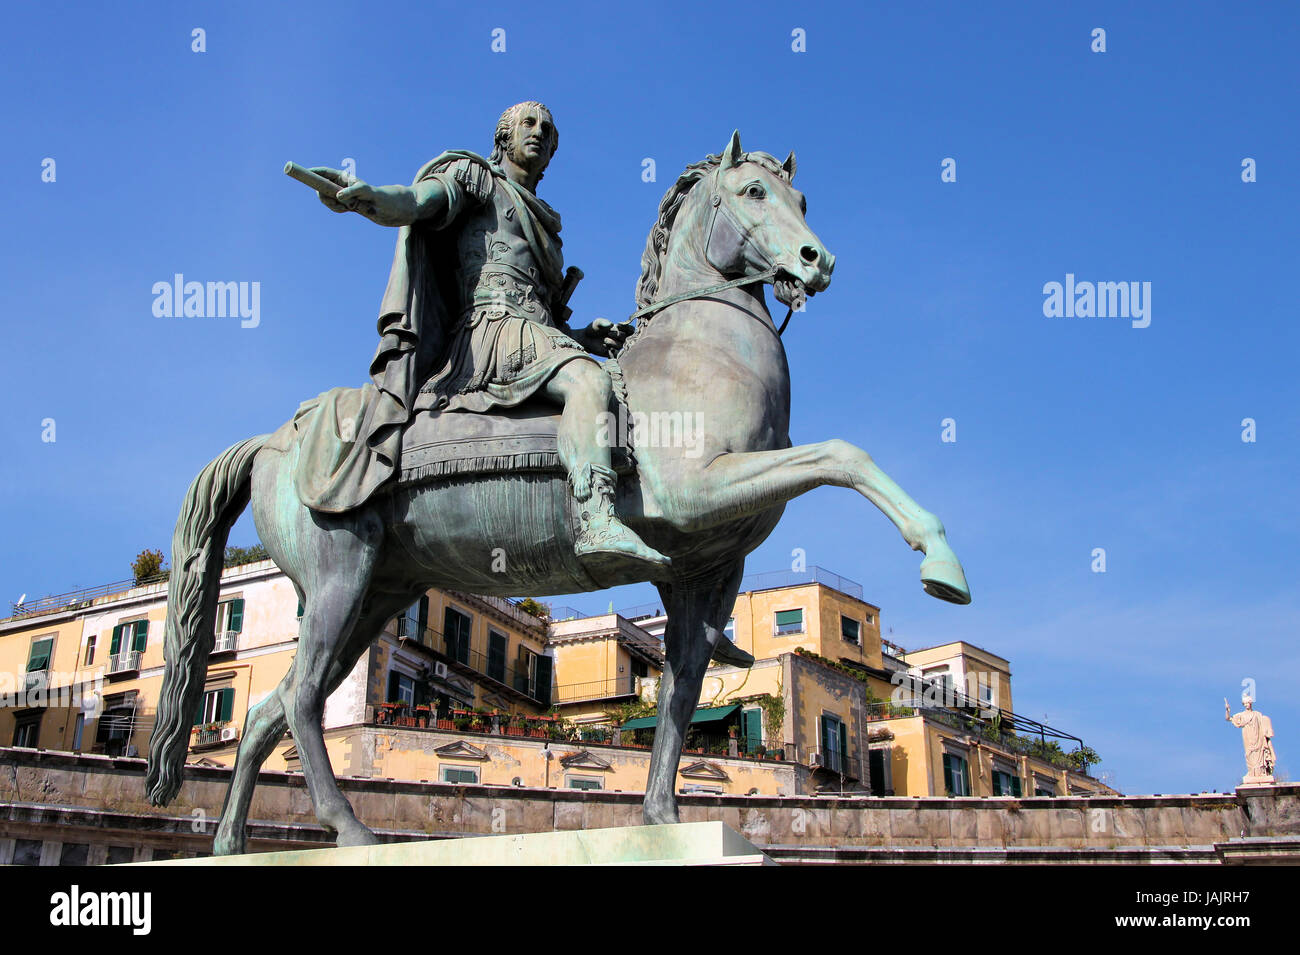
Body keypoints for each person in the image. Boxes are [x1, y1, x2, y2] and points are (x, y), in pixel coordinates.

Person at [302, 102, 668, 570]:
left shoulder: (548, 225)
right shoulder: (475, 179)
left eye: (548, 131)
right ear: (504, 137)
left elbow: (547, 319)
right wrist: (370, 196)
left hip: (532, 334)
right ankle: (596, 517)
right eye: (528, 125)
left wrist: (581, 334)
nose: (539, 133)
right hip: (489, 330)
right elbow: (416, 201)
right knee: (589, 383)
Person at [1225, 693, 1276, 780]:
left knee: (1260, 754)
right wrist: (1227, 710)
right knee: (1249, 754)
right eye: (1244, 704)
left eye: (1247, 703)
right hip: (1248, 737)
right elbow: (1228, 718)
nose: (1246, 705)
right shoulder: (1241, 715)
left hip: (1258, 737)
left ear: (1250, 703)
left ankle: (1261, 773)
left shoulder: (1257, 714)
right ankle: (1251, 772)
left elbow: (1263, 725)